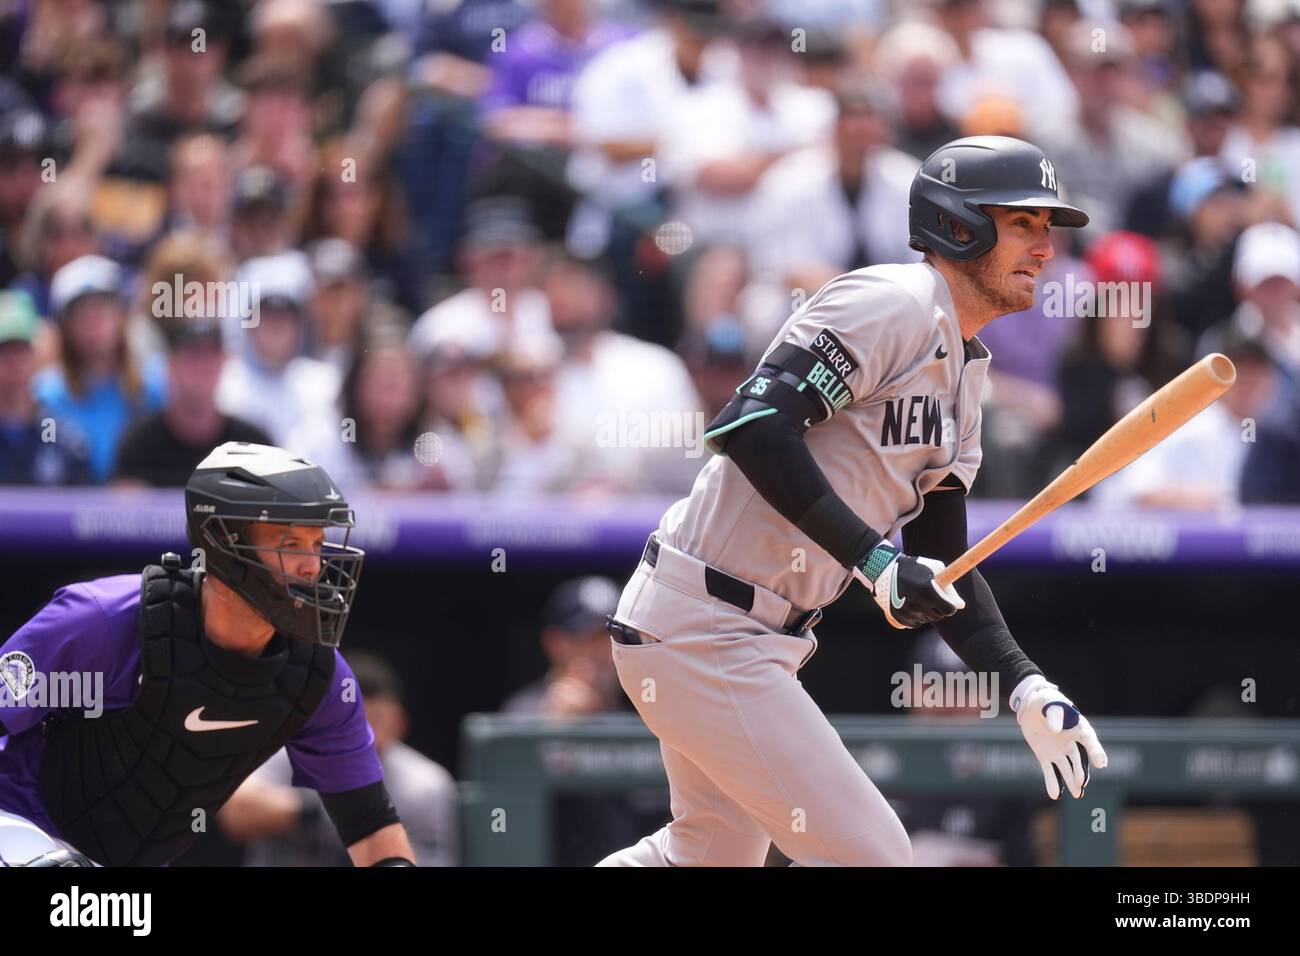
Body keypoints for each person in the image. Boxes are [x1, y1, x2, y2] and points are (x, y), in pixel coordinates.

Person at [598, 136, 1108, 867]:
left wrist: (1024, 684)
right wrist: (875, 562)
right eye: (1024, 222)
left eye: (1047, 228)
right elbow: (752, 427)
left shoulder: (966, 379)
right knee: (875, 857)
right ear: (959, 225)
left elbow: (944, 566)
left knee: (703, 856)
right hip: (706, 623)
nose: (1045, 247)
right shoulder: (891, 302)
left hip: (745, 636)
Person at [0, 442, 416, 866]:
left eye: (317, 544)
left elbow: (371, 826)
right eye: (291, 544)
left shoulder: (318, 678)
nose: (313, 567)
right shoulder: (103, 620)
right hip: (17, 826)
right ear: (222, 541)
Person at [220, 651, 458, 867]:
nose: (365, 738)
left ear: (399, 722)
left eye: (377, 723)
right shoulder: (287, 754)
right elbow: (236, 813)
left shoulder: (425, 784)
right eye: (355, 726)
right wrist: (333, 807)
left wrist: (366, 822)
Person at [32, 254, 167, 483]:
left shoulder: (152, 389)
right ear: (64, 327)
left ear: (122, 316)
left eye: (103, 308)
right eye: (80, 312)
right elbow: (48, 467)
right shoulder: (45, 396)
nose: (93, 322)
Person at [112, 317, 272, 487]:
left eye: (209, 357)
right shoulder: (139, 445)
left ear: (224, 362)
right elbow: (126, 508)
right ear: (169, 364)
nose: (201, 368)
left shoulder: (253, 446)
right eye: (192, 357)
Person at [0, 289, 92, 485]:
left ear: (35, 355)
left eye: (22, 351)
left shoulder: (64, 439)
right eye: (3, 352)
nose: (13, 363)